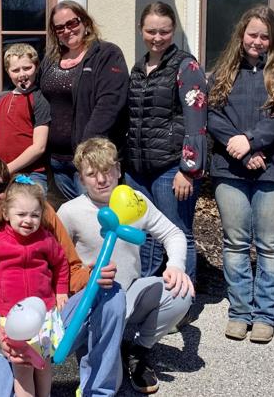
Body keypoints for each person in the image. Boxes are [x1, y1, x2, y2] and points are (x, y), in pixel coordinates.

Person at [0, 153, 126, 397]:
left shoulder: (38, 215)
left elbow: (68, 267)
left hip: (49, 318)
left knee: (111, 293)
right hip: (1, 331)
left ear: (8, 188)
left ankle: (98, 390)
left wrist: (92, 276)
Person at [57, 137, 194, 394]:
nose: (101, 179)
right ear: (81, 179)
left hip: (130, 295)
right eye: (92, 174)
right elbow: (54, 259)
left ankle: (137, 351)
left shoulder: (135, 202)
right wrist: (61, 291)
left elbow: (173, 234)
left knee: (180, 291)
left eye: (107, 170)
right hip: (93, 304)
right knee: (113, 385)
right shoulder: (69, 211)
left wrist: (175, 265)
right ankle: (106, 349)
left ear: (118, 170)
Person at [207, 5, 274, 344]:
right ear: (242, 35)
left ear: (273, 39)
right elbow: (212, 114)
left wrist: (251, 141)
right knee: (235, 243)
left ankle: (265, 314)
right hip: (230, 170)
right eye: (253, 34)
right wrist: (242, 150)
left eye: (266, 36)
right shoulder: (222, 72)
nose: (258, 41)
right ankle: (239, 312)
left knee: (269, 244)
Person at [125, 1, 207, 282]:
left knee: (177, 233)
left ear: (174, 31)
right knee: (145, 234)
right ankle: (147, 290)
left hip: (171, 169)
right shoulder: (138, 68)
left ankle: (183, 300)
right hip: (137, 170)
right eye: (151, 31)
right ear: (141, 30)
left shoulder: (186, 66)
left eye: (164, 31)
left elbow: (196, 121)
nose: (157, 37)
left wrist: (188, 169)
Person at [0, 176, 69, 397]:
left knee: (43, 365)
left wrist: (61, 290)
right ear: (6, 214)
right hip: (12, 317)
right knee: (22, 367)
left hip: (44, 312)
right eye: (21, 214)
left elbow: (61, 263)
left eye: (35, 215)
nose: (28, 220)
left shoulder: (45, 239)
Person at [39, 0, 129, 200]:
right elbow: (37, 97)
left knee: (95, 221)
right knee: (70, 223)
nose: (67, 30)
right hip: (56, 162)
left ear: (85, 22)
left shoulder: (106, 54)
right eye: (60, 27)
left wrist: (84, 151)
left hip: (90, 162)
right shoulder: (51, 59)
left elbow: (110, 104)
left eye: (72, 23)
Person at [0, 44, 50, 190]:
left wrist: (7, 169)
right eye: (15, 70)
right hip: (0, 174)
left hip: (31, 174)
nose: (22, 74)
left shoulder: (40, 99)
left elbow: (39, 147)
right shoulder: (0, 100)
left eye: (27, 68)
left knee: (29, 210)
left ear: (36, 67)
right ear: (8, 72)